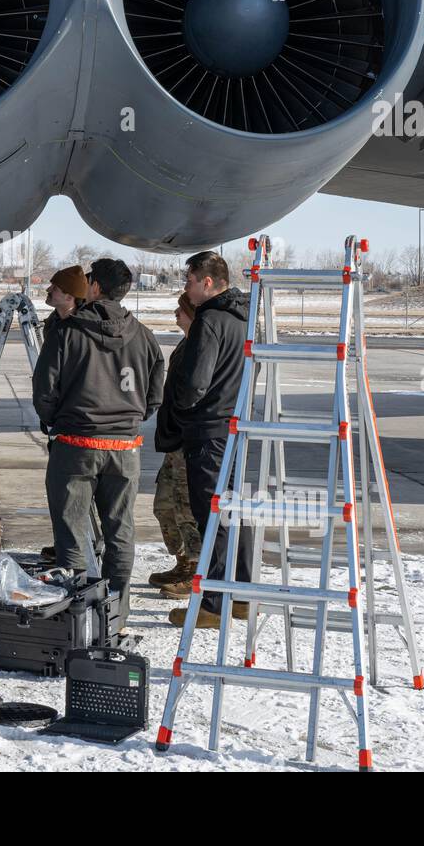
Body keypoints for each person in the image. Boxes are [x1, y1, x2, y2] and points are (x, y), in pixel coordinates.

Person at [32, 258, 164, 625]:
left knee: (72, 534)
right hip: (125, 448)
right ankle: (116, 614)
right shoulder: (144, 334)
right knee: (120, 531)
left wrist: (56, 421)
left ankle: (76, 617)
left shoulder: (67, 332)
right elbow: (155, 393)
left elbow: (44, 390)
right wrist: (128, 421)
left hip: (77, 443)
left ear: (95, 288)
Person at [166, 250, 252, 630]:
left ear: (207, 281)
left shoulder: (211, 320)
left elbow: (195, 383)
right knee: (236, 514)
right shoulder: (243, 318)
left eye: (189, 280)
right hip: (234, 427)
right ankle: (242, 597)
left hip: (208, 432)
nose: (186, 286)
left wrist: (182, 410)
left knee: (214, 517)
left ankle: (215, 605)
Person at [149, 292, 202, 597]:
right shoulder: (186, 344)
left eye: (181, 310)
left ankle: (195, 571)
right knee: (164, 505)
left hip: (187, 440)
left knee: (186, 508)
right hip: (175, 441)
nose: (175, 313)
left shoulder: (200, 346)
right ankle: (182, 561)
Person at [38, 264, 89, 562]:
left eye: (55, 288)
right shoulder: (52, 324)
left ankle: (76, 552)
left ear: (69, 296)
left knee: (77, 494)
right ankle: (66, 544)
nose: (48, 291)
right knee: (61, 494)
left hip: (78, 420)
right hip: (60, 419)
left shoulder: (84, 328)